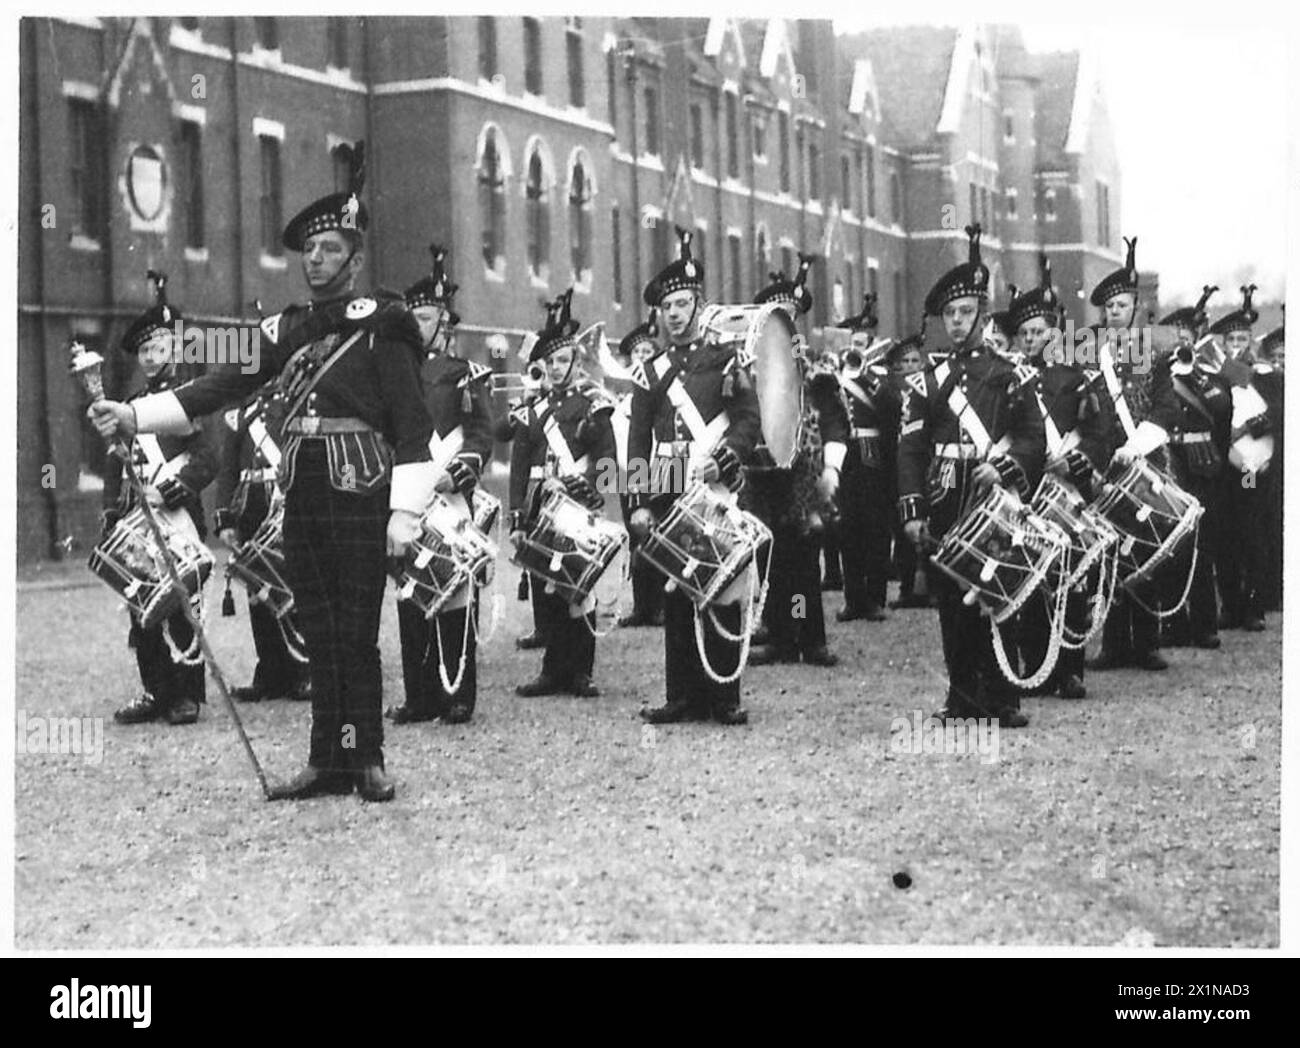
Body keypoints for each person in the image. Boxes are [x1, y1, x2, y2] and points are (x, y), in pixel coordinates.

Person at [91, 144, 437, 802]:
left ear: (356, 259)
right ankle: (325, 761)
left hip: (360, 491)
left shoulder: (385, 325)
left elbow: (413, 429)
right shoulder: (284, 328)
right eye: (309, 250)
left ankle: (364, 757)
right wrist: (133, 415)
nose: (316, 260)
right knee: (316, 623)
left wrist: (405, 514)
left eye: (331, 249)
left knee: (356, 630)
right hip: (303, 490)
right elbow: (215, 385)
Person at [895, 224, 1045, 727]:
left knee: (996, 594)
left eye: (966, 313)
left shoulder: (1011, 374)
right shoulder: (928, 381)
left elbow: (1033, 438)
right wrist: (913, 509)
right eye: (949, 315)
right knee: (951, 603)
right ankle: (962, 696)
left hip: (992, 500)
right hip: (943, 497)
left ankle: (1002, 698)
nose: (957, 323)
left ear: (983, 315)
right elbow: (911, 448)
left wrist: (1003, 466)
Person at [630, 228, 761, 724]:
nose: (676, 313)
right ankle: (682, 694)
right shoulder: (650, 371)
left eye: (684, 303)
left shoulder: (726, 359)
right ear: (659, 314)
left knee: (723, 582)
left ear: (699, 305)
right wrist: (637, 502)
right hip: (666, 480)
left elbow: (749, 421)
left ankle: (724, 695)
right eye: (669, 307)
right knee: (677, 588)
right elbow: (636, 441)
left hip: (715, 484)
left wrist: (727, 458)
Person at [102, 271, 219, 727]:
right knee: (141, 604)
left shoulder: (188, 400)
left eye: (160, 348)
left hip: (177, 514)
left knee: (179, 601)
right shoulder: (131, 404)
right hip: (139, 515)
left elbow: (209, 458)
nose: (152, 358)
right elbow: (120, 464)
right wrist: (114, 510)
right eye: (146, 351)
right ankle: (155, 689)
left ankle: (186, 694)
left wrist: (174, 487)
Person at [389, 245, 494, 725]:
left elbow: (480, 435)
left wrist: (462, 471)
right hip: (410, 499)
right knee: (411, 596)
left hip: (450, 498)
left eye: (426, 316)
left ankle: (458, 694)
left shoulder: (464, 376)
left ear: (445, 323)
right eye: (413, 316)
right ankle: (420, 695)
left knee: (453, 596)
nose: (417, 324)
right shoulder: (394, 374)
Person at [1011, 255, 1115, 698]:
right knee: (1031, 578)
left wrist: (1077, 462)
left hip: (1067, 489)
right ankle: (1036, 667)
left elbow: (1099, 433)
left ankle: (1070, 670)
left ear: (1055, 335)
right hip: (1028, 489)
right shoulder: (1009, 379)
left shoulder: (1077, 378)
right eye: (1026, 334)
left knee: (1072, 579)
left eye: (1040, 333)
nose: (1032, 340)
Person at [509, 289, 615, 698]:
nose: (554, 369)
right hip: (540, 505)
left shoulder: (593, 403)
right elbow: (519, 466)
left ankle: (580, 670)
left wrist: (578, 485)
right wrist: (518, 517)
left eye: (561, 361)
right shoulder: (533, 410)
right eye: (549, 362)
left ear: (574, 361)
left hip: (577, 503)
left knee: (577, 586)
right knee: (545, 586)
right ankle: (553, 668)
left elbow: (607, 461)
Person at [746, 256, 847, 667]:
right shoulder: (754, 372)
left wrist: (831, 469)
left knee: (804, 561)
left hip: (803, 474)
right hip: (764, 474)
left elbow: (837, 423)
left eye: (790, 315)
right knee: (771, 559)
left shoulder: (817, 372)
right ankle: (781, 637)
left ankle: (811, 638)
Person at [1086, 236, 1181, 673]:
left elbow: (1167, 409)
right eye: (1108, 309)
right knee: (1110, 553)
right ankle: (1113, 644)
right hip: (1108, 470)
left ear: (1135, 308)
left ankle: (1147, 643)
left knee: (1148, 552)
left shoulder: (1154, 356)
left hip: (1146, 464)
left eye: (1121, 306)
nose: (1114, 314)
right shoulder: (1092, 357)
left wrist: (1135, 445)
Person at [213, 387, 312, 703]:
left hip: (285, 497)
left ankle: (304, 671)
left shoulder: (298, 398)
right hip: (251, 503)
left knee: (292, 584)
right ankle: (270, 673)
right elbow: (228, 466)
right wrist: (225, 518)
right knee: (258, 589)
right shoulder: (241, 408)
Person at [1155, 285, 1231, 649]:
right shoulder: (1158, 374)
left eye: (1187, 335)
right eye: (1177, 335)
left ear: (1197, 337)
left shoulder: (1209, 377)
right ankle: (1173, 624)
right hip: (1170, 462)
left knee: (1202, 544)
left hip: (1201, 465)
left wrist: (1194, 376)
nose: (1182, 340)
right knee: (1171, 545)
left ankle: (1204, 624)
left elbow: (1222, 419)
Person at [1208, 285, 1271, 632]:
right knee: (1225, 534)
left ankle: (1254, 605)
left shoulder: (1262, 375)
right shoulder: (1218, 376)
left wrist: (1250, 426)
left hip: (1250, 467)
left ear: (1251, 339)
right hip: (1223, 466)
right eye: (1232, 338)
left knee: (1250, 530)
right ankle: (1231, 604)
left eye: (1242, 338)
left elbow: (1275, 416)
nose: (1237, 344)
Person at [833, 293, 899, 622]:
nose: (856, 347)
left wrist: (871, 381)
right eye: (853, 342)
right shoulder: (837, 376)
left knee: (875, 528)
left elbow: (892, 412)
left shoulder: (882, 379)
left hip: (873, 455)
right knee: (847, 528)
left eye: (862, 342)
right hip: (846, 455)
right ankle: (852, 598)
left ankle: (875, 598)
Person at [613, 312, 666, 628]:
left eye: (648, 352)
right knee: (633, 536)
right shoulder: (621, 394)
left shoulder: (659, 390)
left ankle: (659, 605)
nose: (643, 357)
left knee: (655, 533)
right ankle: (641, 606)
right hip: (622, 470)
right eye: (638, 353)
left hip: (658, 470)